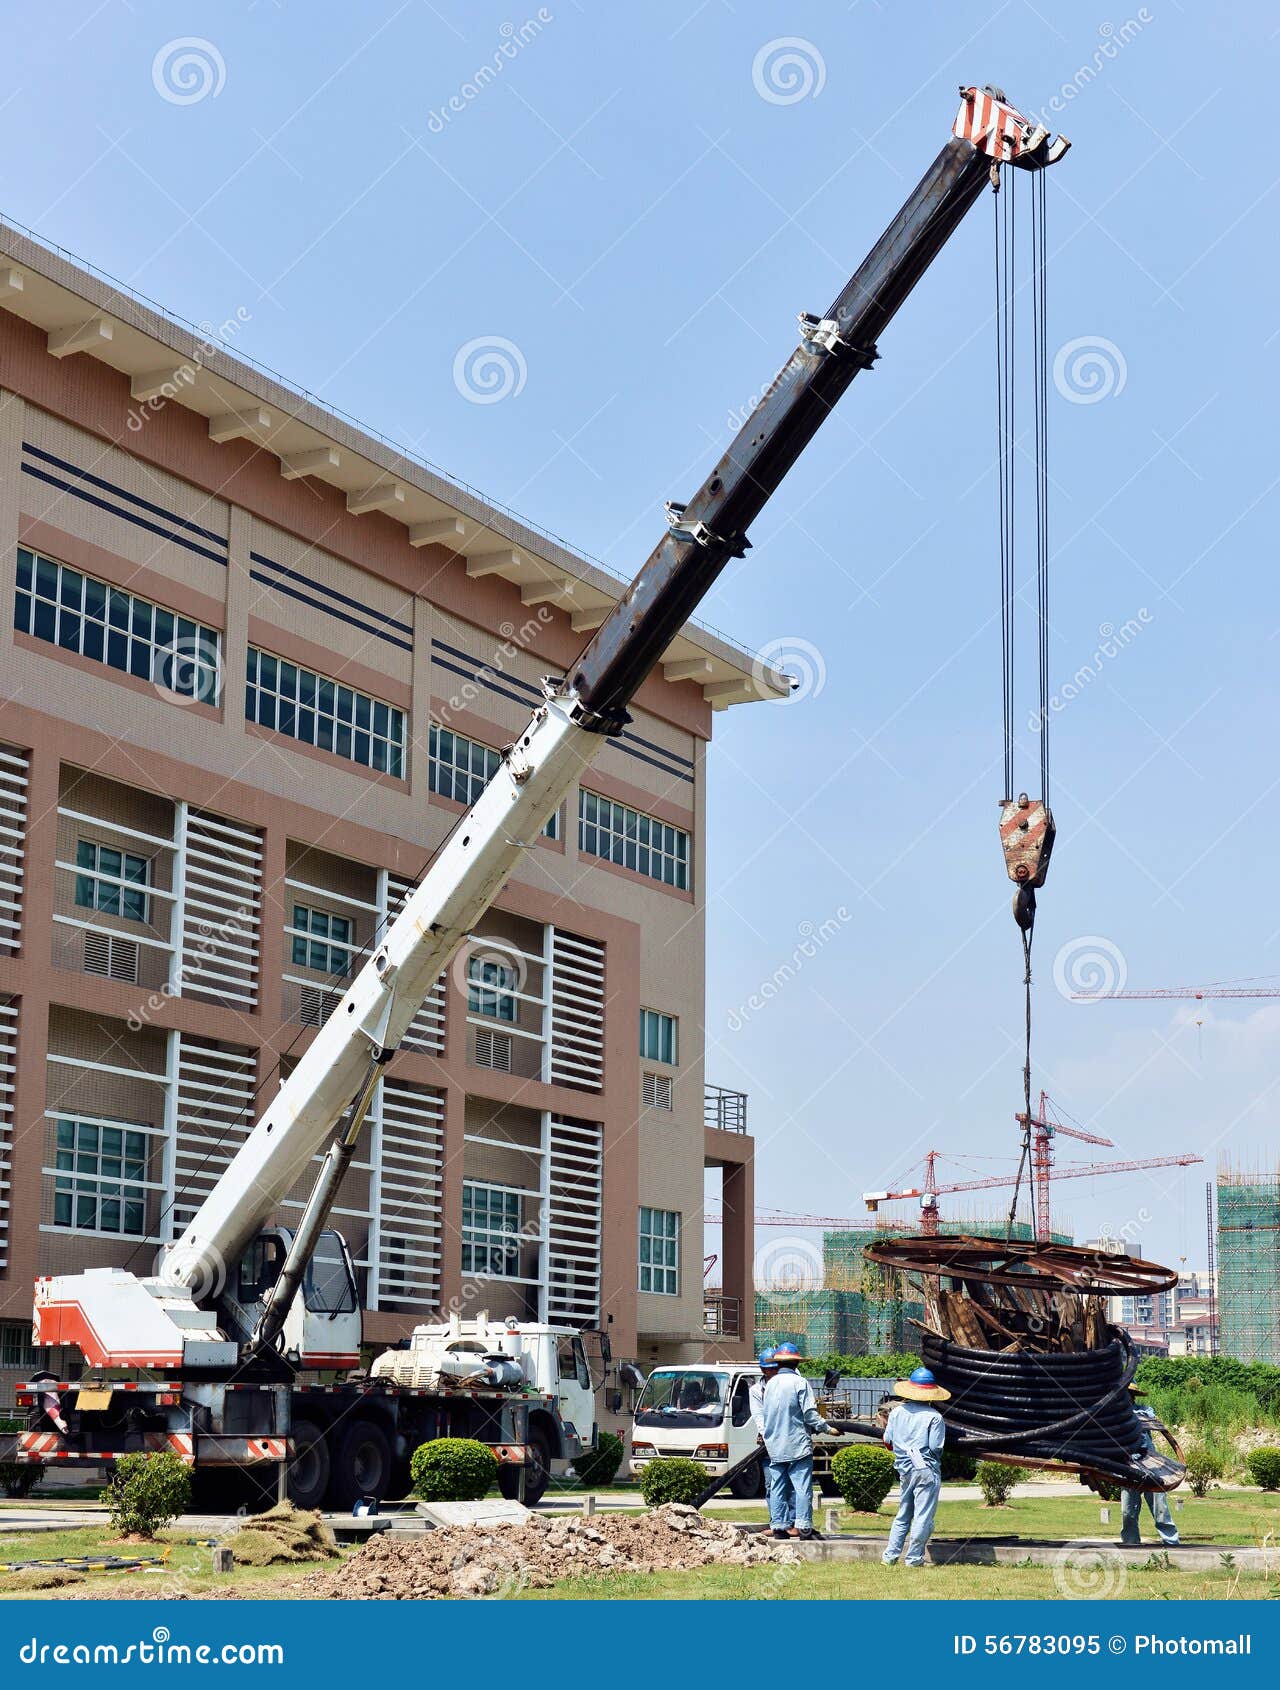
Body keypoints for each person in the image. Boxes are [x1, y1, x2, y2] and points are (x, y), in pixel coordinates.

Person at [759, 1341, 834, 1540]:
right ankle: (803, 1527)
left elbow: (767, 1416)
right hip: (797, 1444)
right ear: (796, 1363)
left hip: (775, 1445)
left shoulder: (770, 1384)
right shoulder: (800, 1383)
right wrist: (826, 1428)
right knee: (801, 1487)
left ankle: (779, 1527)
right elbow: (810, 1414)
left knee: (777, 1487)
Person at [882, 1364, 950, 1568]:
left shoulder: (896, 1413)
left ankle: (890, 1556)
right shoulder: (934, 1417)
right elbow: (935, 1447)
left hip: (904, 1468)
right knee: (923, 1515)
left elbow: (888, 1440)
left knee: (903, 1513)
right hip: (926, 1469)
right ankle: (913, 1558)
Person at [1120, 1389, 1180, 1548]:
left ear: (1132, 1397)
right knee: (1128, 1512)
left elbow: (1151, 1420)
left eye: (1128, 1394)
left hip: (1150, 1463)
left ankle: (1171, 1543)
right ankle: (1130, 1544)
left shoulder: (1145, 1410)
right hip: (1128, 1466)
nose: (1126, 1397)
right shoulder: (1114, 1413)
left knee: (1160, 1509)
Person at [749, 1349, 793, 1535]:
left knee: (792, 1483)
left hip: (790, 1440)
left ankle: (792, 1523)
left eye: (774, 1368)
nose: (771, 1372)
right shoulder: (757, 1390)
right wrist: (767, 1435)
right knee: (772, 1483)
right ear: (761, 1370)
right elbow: (759, 1416)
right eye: (767, 1369)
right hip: (768, 1442)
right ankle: (777, 1523)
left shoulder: (791, 1384)